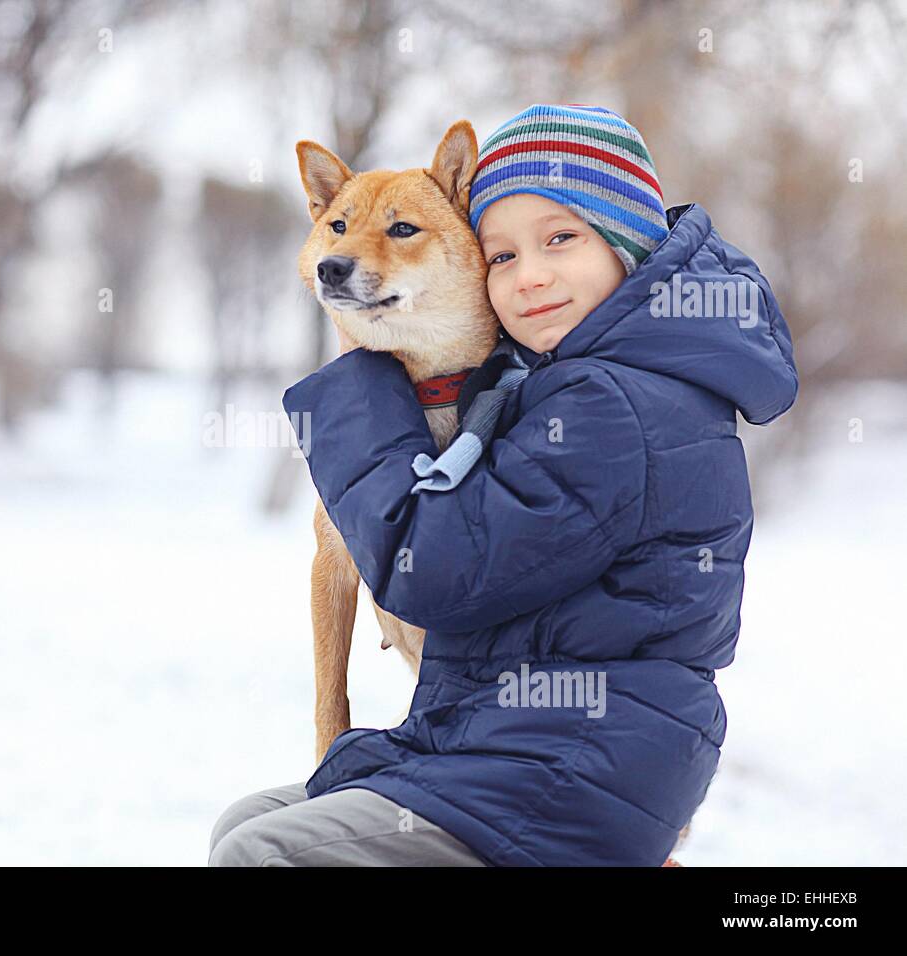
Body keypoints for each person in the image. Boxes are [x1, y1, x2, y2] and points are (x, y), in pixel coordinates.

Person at [209, 104, 799, 866]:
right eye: (503, 256)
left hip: (568, 770)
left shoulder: (613, 404)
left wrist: (359, 389)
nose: (532, 275)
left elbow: (433, 570)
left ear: (630, 242)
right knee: (245, 823)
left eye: (561, 239)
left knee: (266, 852)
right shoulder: (543, 384)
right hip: (510, 745)